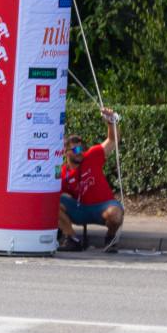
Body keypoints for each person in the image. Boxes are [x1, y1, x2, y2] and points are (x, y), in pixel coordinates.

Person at [59, 106, 125, 252]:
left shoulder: (92, 155)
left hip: (102, 206)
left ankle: (110, 237)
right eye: (76, 150)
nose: (81, 152)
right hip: (80, 209)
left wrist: (110, 121)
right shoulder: (63, 172)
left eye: (82, 148)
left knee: (115, 214)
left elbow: (113, 140)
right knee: (53, 201)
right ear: (66, 152)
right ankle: (72, 238)